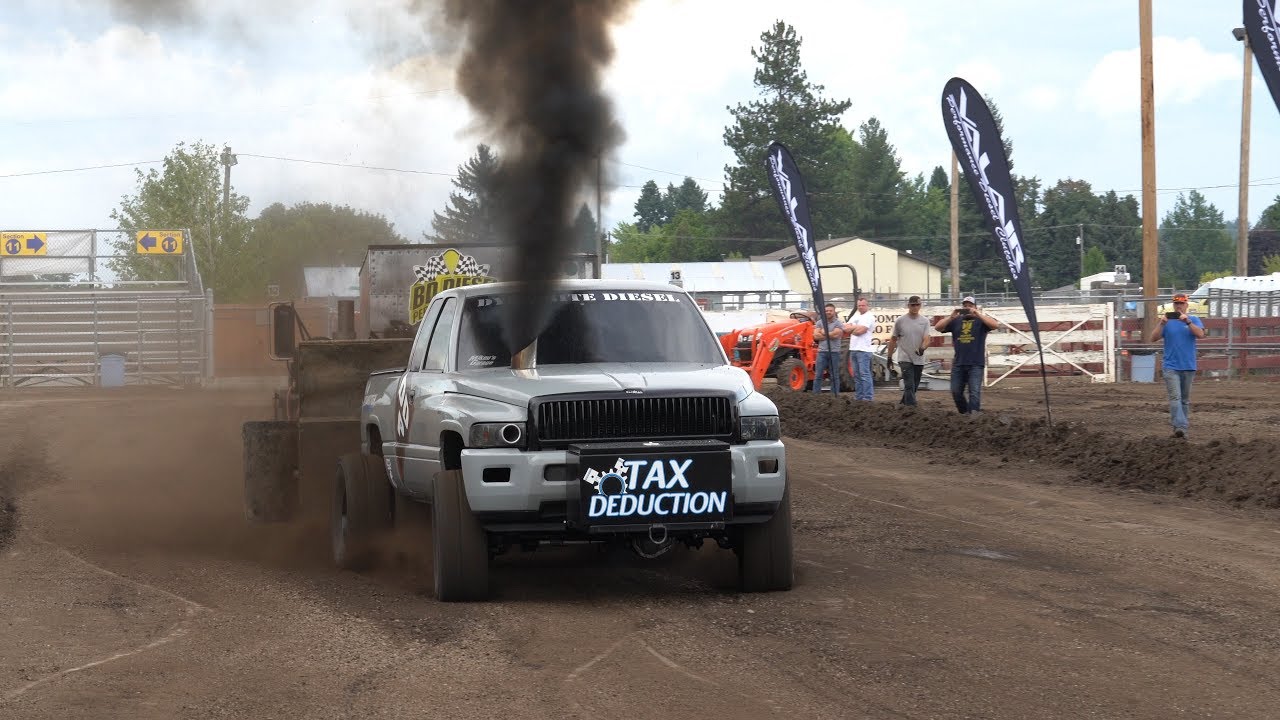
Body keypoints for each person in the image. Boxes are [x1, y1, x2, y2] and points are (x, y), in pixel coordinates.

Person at [1148, 292, 1205, 438]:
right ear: (1173, 305)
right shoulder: (1167, 322)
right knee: (1175, 398)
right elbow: (1153, 338)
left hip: (1188, 366)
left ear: (1186, 305)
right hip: (1171, 366)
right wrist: (1161, 323)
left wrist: (1188, 322)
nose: (1179, 306)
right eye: (1176, 303)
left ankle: (1181, 429)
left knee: (1184, 400)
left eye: (1181, 303)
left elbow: (1200, 334)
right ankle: (1180, 426)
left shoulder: (1194, 319)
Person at [934, 295, 999, 415]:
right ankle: (964, 414)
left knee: (974, 392)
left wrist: (977, 314)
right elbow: (938, 327)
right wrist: (951, 316)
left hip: (976, 363)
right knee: (955, 391)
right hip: (959, 363)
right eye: (965, 306)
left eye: (970, 306)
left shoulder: (981, 321)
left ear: (975, 307)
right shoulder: (956, 321)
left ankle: (974, 415)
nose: (967, 308)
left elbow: (995, 325)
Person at [884, 296, 931, 406]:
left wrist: (922, 348)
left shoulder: (925, 321)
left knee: (914, 385)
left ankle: (903, 405)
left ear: (920, 306)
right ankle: (912, 408)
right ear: (908, 306)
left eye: (917, 305)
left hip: (919, 358)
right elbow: (893, 339)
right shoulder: (900, 321)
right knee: (909, 384)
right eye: (912, 305)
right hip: (904, 357)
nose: (915, 307)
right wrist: (889, 357)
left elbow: (927, 338)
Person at [845, 297, 875, 401]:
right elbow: (845, 328)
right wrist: (855, 328)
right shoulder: (855, 315)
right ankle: (859, 397)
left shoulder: (869, 317)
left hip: (864, 350)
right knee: (856, 375)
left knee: (864, 374)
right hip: (853, 348)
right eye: (859, 305)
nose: (861, 307)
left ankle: (868, 397)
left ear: (867, 306)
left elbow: (860, 331)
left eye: (863, 305)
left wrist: (852, 328)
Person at [812, 303, 846, 395]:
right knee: (818, 374)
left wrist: (823, 332)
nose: (828, 312)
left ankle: (834, 395)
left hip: (834, 352)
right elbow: (815, 336)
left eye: (830, 311)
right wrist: (829, 334)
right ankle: (815, 395)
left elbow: (836, 335)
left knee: (834, 375)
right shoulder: (820, 322)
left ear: (834, 312)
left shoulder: (838, 323)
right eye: (826, 311)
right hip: (822, 352)